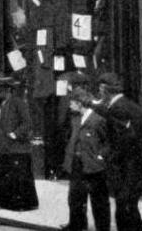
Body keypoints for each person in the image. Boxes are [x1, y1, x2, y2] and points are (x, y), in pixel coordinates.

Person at [90, 72, 142, 231]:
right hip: (137, 166)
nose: (100, 92)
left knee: (124, 210)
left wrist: (105, 155)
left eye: (101, 88)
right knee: (129, 208)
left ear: (105, 89)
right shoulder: (130, 105)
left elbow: (122, 141)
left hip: (126, 168)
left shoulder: (117, 108)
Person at [61, 88, 110, 231]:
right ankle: (76, 225)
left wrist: (101, 156)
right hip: (77, 163)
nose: (70, 105)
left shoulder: (97, 120)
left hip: (94, 166)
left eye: (72, 102)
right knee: (75, 197)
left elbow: (108, 142)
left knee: (98, 200)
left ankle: (103, 228)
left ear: (80, 103)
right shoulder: (75, 119)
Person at [0, 77, 38, 211]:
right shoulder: (2, 104)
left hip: (18, 146)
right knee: (4, 174)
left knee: (19, 176)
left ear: (8, 90)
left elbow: (27, 122)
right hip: (4, 146)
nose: (0, 93)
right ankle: (5, 201)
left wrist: (16, 134)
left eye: (2, 90)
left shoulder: (18, 103)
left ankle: (22, 203)